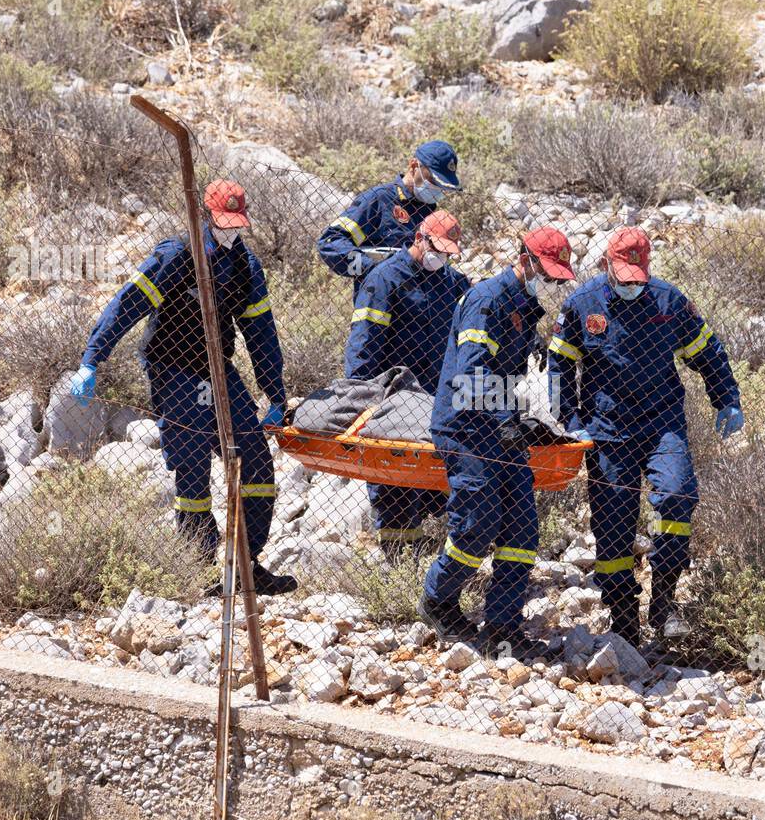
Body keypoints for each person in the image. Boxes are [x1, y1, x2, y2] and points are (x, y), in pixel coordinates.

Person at [69, 180, 296, 595]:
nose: (231, 231)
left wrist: (274, 393)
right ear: (206, 215)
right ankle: (200, 567)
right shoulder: (176, 256)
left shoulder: (245, 267)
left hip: (218, 371)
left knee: (256, 463)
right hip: (172, 368)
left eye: (237, 224)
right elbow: (127, 306)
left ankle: (245, 564)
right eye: (223, 223)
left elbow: (261, 333)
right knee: (192, 468)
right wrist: (92, 359)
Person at [547, 227, 743, 647]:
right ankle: (623, 616)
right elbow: (560, 363)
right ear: (606, 266)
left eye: (637, 277)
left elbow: (707, 352)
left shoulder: (670, 303)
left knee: (676, 497)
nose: (630, 284)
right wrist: (569, 418)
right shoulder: (583, 303)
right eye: (622, 276)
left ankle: (665, 603)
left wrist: (726, 399)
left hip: (661, 424)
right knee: (613, 527)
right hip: (607, 430)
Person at [422, 228, 576, 656]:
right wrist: (510, 419)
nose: (555, 285)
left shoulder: (524, 306)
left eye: (560, 280)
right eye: (549, 275)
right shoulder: (489, 301)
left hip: (499, 426)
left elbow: (508, 375)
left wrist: (531, 417)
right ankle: (437, 599)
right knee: (477, 522)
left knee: (522, 532)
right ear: (524, 260)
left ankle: (503, 626)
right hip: (466, 427)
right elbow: (472, 373)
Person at [344, 212, 470, 559]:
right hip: (394, 398)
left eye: (448, 253)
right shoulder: (385, 279)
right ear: (419, 238)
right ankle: (398, 562)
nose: (440, 258)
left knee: (434, 485)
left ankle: (420, 553)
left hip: (436, 399)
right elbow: (364, 344)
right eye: (436, 249)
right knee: (394, 484)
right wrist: (362, 399)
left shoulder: (453, 285)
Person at [317, 141, 461, 293]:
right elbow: (331, 242)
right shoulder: (379, 200)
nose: (437, 190)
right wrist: (375, 269)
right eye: (433, 181)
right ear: (414, 167)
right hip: (380, 302)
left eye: (442, 186)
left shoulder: (431, 213)